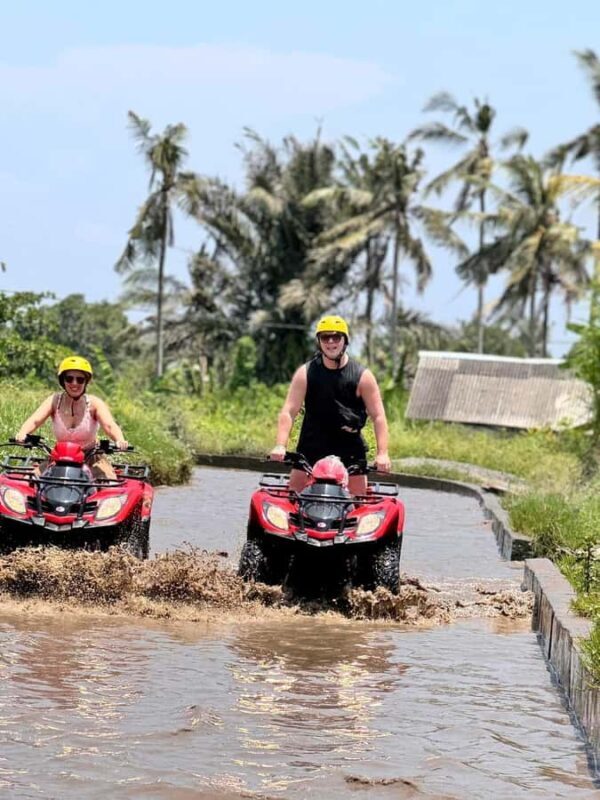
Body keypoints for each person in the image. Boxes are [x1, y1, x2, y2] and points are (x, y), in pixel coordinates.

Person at [270, 315, 391, 495]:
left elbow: (378, 417)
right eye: (325, 337)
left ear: (345, 340)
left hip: (349, 449)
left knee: (358, 503)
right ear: (319, 341)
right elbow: (289, 411)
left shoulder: (363, 376)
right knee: (292, 498)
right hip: (311, 446)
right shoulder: (305, 373)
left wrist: (382, 454)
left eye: (336, 337)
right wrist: (280, 445)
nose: (331, 342)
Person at [15, 355, 129, 480]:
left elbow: (109, 426)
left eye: (80, 380)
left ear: (86, 382)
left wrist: (120, 440)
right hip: (59, 458)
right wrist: (22, 433)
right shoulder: (54, 400)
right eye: (69, 378)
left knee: (110, 487)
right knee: (29, 481)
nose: (74, 383)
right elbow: (35, 421)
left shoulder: (95, 404)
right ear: (63, 381)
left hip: (91, 458)